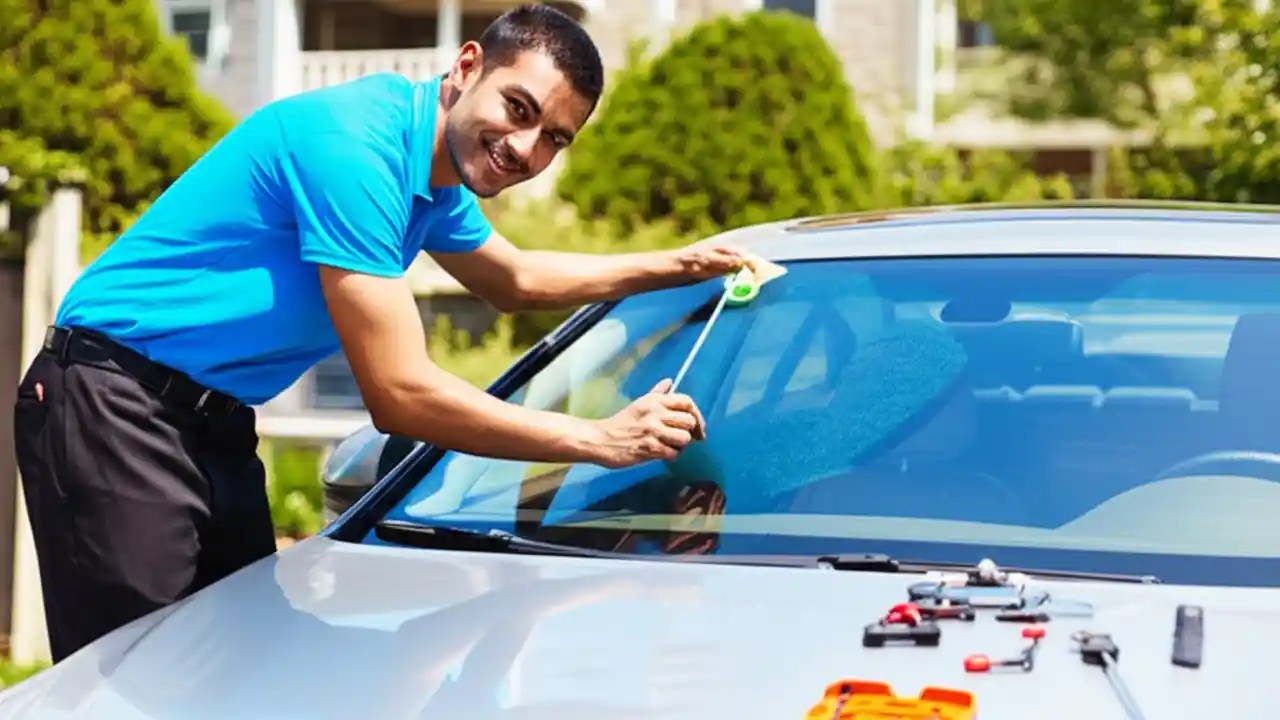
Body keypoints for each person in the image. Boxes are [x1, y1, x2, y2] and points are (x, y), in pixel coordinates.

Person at [13, 3, 748, 663]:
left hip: (211, 424)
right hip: (112, 400)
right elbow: (398, 394)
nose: (526, 148)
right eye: (518, 108)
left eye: (554, 137)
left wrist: (678, 264)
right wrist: (600, 440)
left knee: (250, 664)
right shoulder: (356, 148)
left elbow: (513, 281)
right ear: (466, 67)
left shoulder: (436, 179)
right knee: (144, 685)